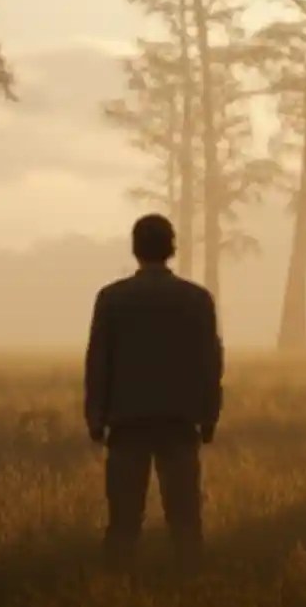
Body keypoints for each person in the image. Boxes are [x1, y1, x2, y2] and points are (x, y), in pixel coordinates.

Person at [84, 214, 224, 573]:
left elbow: (98, 361)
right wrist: (209, 416)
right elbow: (210, 363)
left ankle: (114, 591)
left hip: (127, 421)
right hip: (179, 421)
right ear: (171, 249)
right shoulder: (197, 299)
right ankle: (192, 587)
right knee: (185, 518)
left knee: (124, 521)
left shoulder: (112, 298)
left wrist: (95, 417)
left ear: (135, 249)